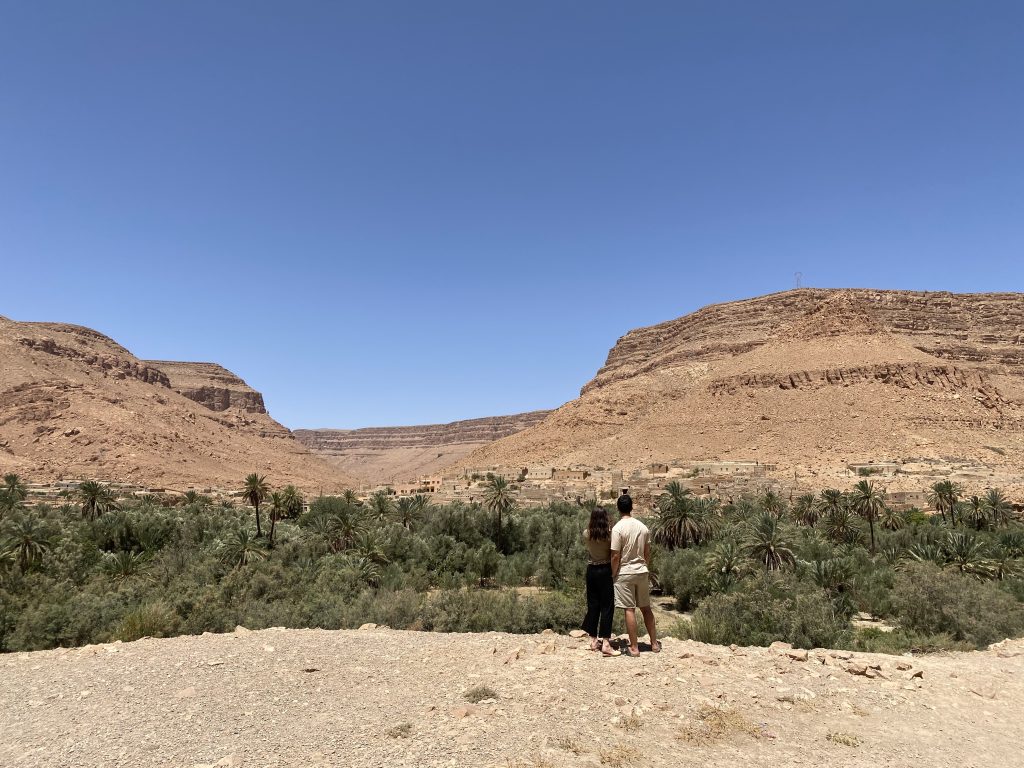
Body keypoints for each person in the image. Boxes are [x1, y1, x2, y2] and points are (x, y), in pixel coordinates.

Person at [611, 494, 660, 657]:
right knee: (646, 608)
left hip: (625, 572)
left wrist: (613, 573)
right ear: (632, 507)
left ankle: (634, 647)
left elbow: (615, 556)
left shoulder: (617, 529)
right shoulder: (643, 527)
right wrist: (644, 565)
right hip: (641, 571)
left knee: (629, 609)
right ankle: (654, 644)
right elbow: (647, 552)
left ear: (618, 508)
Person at [580, 506, 619, 656]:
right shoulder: (609, 535)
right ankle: (606, 643)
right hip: (605, 570)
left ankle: (593, 640)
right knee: (607, 606)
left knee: (593, 605)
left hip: (591, 570)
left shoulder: (586, 534)